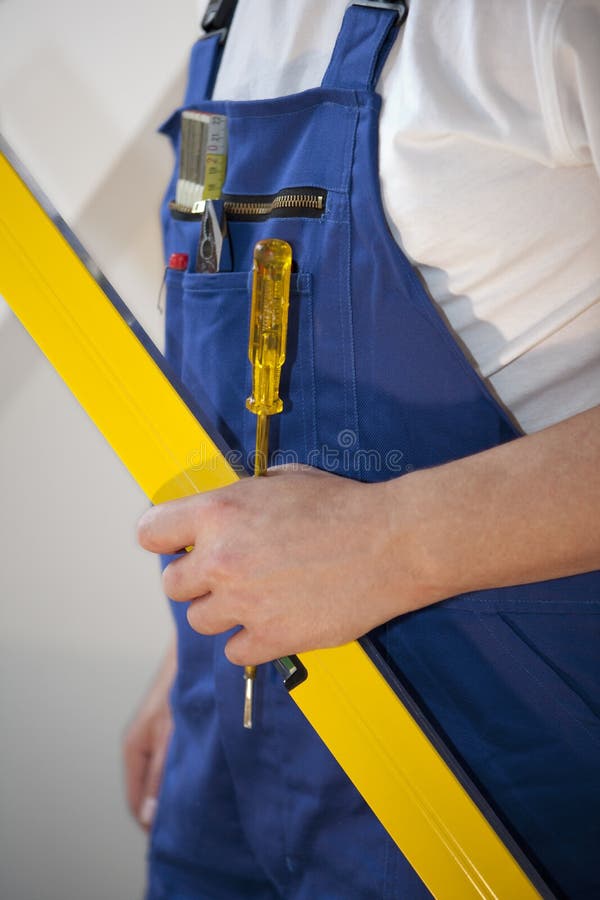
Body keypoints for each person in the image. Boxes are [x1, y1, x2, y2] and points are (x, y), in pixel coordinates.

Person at [124, 2, 600, 897]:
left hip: (494, 788)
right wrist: (210, 626)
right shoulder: (230, 29)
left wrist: (392, 540)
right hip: (227, 765)